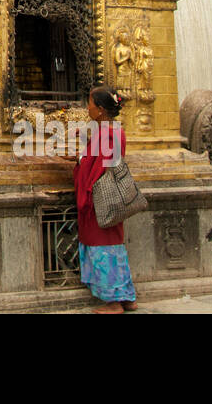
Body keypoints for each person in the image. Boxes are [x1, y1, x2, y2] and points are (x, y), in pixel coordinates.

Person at [73, 87, 137, 313]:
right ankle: (126, 296)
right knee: (115, 246)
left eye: (90, 104)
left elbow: (99, 168)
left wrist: (85, 189)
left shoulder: (106, 133)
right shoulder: (114, 131)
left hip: (99, 200)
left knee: (103, 249)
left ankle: (113, 302)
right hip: (111, 199)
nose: (88, 108)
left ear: (100, 109)